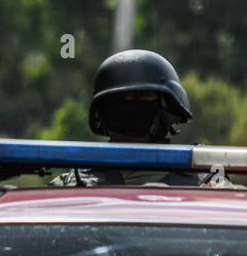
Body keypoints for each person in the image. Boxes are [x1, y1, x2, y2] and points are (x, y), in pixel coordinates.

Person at [59, 49, 199, 186]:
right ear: (102, 112)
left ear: (167, 108)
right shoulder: (72, 185)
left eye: (142, 96)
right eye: (117, 99)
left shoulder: (207, 186)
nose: (129, 105)